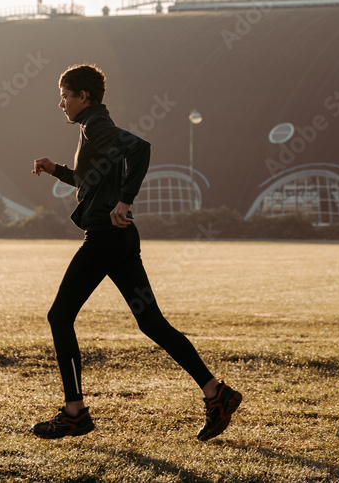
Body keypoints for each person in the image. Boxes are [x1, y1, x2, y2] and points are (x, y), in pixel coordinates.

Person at [30, 63, 241, 441]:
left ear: (84, 96)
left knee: (59, 316)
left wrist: (125, 201)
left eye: (65, 95)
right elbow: (87, 180)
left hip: (106, 239)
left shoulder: (95, 126)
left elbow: (140, 148)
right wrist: (56, 169)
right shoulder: (94, 127)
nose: (60, 102)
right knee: (152, 323)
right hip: (122, 240)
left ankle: (74, 412)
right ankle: (216, 393)